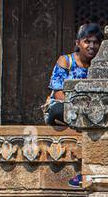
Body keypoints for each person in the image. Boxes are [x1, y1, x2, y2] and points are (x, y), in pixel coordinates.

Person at [44, 23, 103, 184]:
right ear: (78, 43)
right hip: (62, 109)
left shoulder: (99, 66)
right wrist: (77, 107)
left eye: (95, 42)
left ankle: (85, 173)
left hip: (87, 114)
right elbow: (58, 92)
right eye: (87, 41)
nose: (91, 46)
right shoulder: (66, 61)